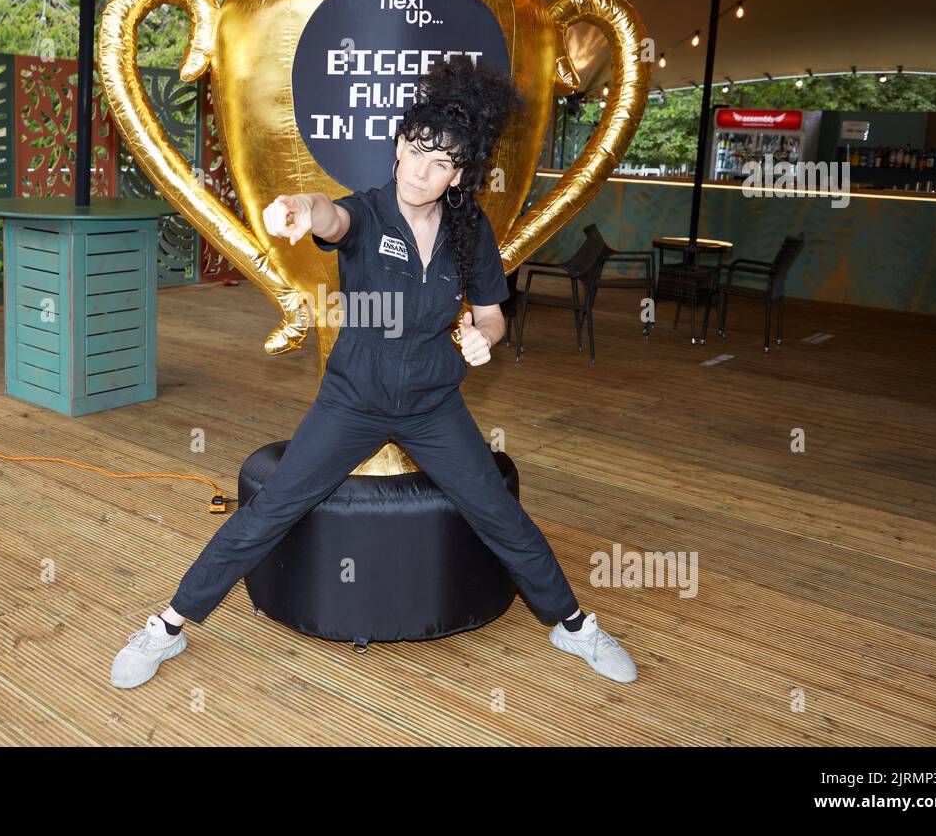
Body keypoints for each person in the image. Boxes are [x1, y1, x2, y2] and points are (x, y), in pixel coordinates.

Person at [111, 57, 638, 689]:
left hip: (432, 401)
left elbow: (495, 314)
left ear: (459, 173)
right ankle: (167, 626)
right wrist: (303, 208)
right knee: (271, 508)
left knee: (499, 513)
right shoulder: (365, 214)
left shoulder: (470, 231)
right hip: (354, 397)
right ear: (396, 147)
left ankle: (573, 625)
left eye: (440, 162)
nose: (421, 170)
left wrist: (482, 337)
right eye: (415, 151)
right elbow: (331, 217)